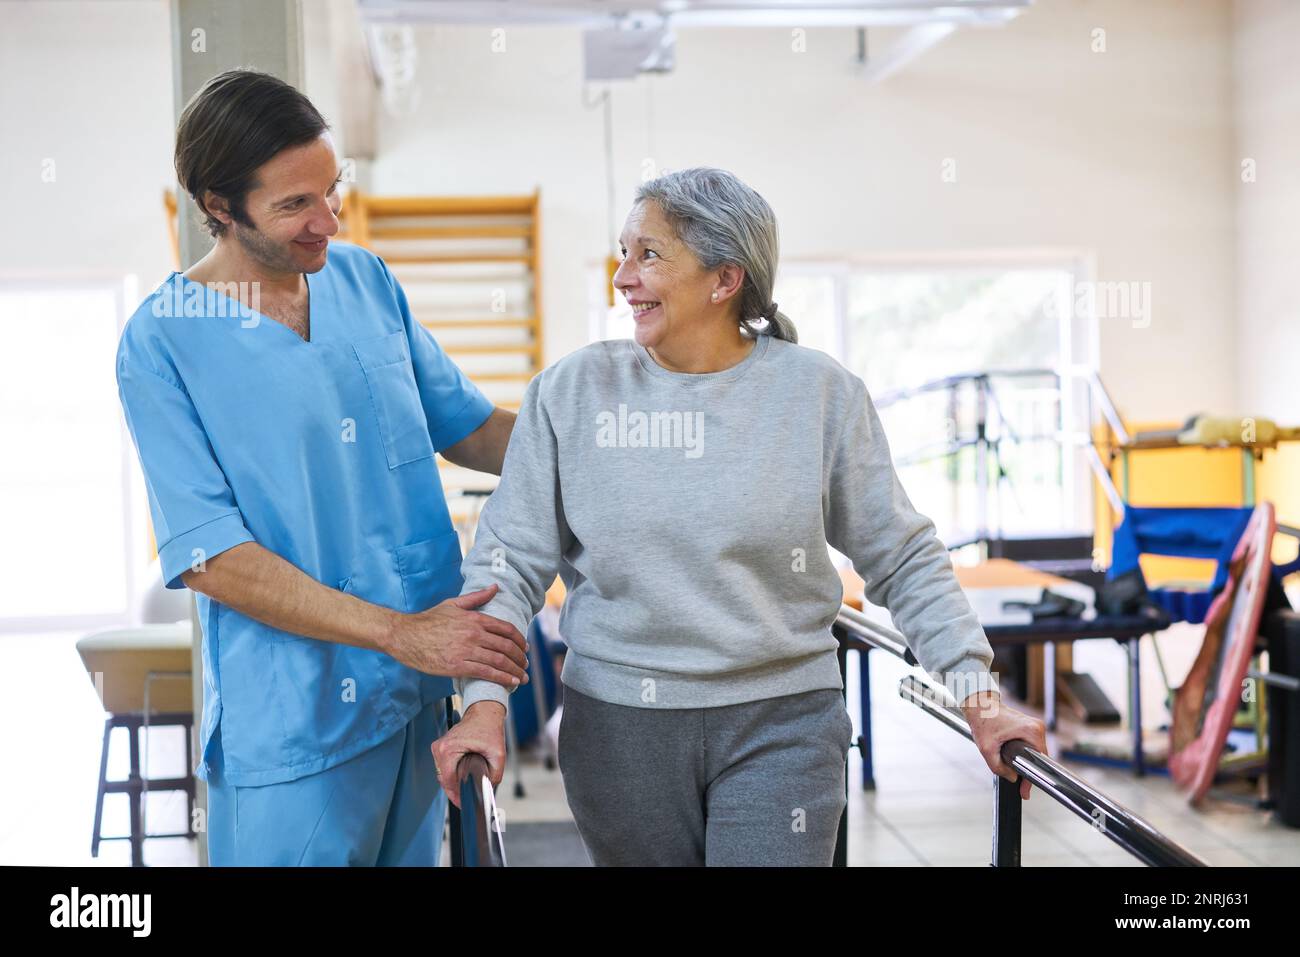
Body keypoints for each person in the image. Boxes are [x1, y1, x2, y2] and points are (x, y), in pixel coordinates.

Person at [432, 166, 1048, 866]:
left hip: (782, 724)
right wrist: (483, 704)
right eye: (623, 252)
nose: (623, 276)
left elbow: (901, 556)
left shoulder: (817, 394)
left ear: (725, 280)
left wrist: (980, 694)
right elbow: (505, 564)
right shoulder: (572, 393)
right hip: (620, 729)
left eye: (649, 254)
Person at [116, 69, 525, 866]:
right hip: (296, 723)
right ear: (219, 207)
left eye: (331, 190)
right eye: (294, 205)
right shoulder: (162, 342)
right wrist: (402, 634)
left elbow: (472, 430)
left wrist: (605, 432)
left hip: (414, 699)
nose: (328, 222)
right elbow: (212, 558)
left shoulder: (363, 280)